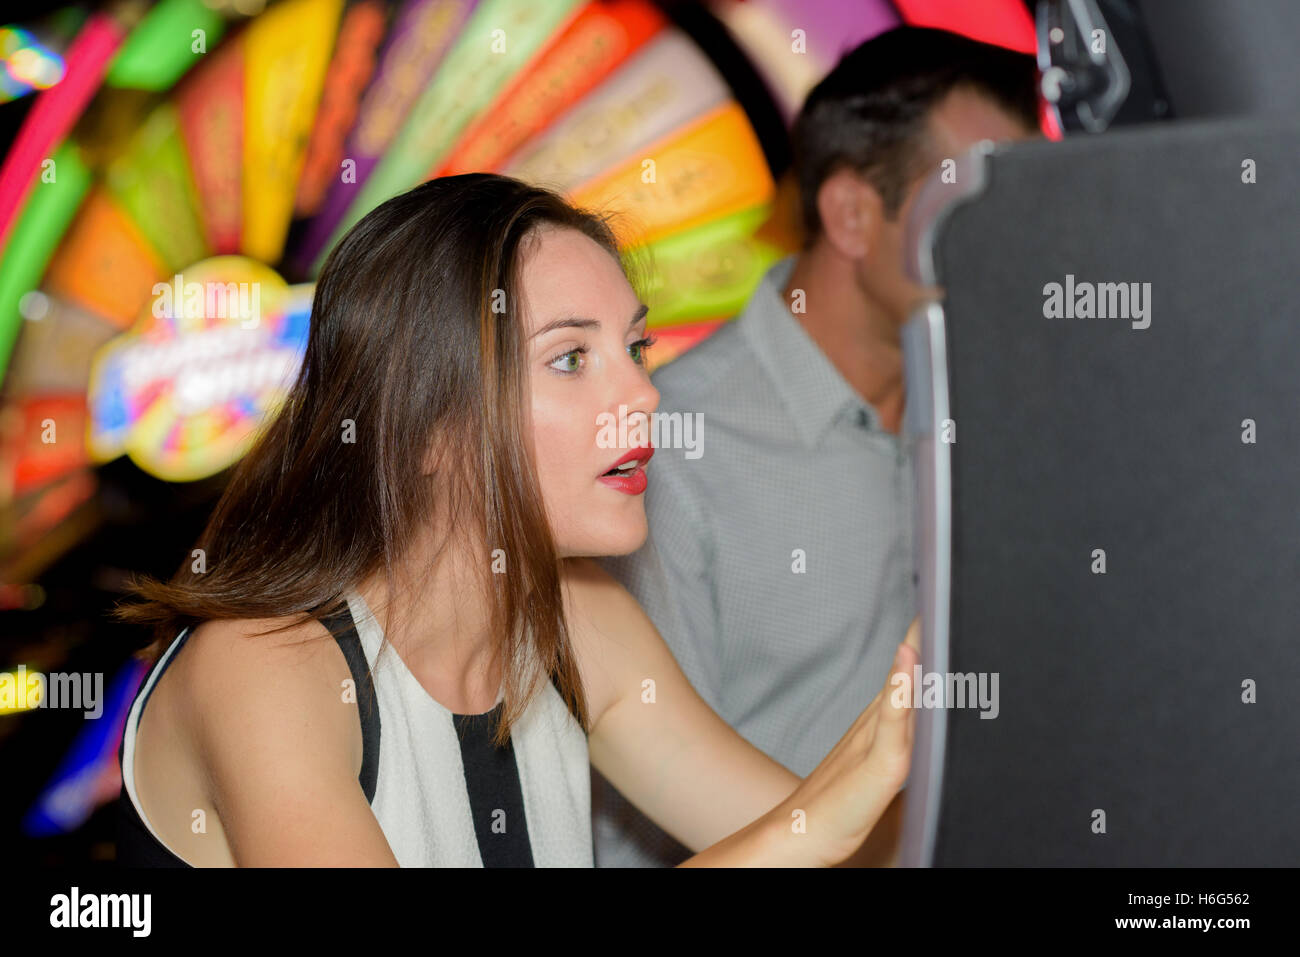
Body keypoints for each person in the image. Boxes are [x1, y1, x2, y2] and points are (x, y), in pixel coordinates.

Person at [112, 172, 918, 867]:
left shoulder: (581, 618)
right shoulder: (264, 669)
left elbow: (816, 837)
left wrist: (896, 744)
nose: (644, 395)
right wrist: (822, 821)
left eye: (636, 349)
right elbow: (801, 839)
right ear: (423, 426)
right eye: (571, 358)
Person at [593, 26, 1041, 867]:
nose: (1021, 242)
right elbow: (635, 827)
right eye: (978, 205)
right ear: (850, 214)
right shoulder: (668, 452)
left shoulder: (992, 413)